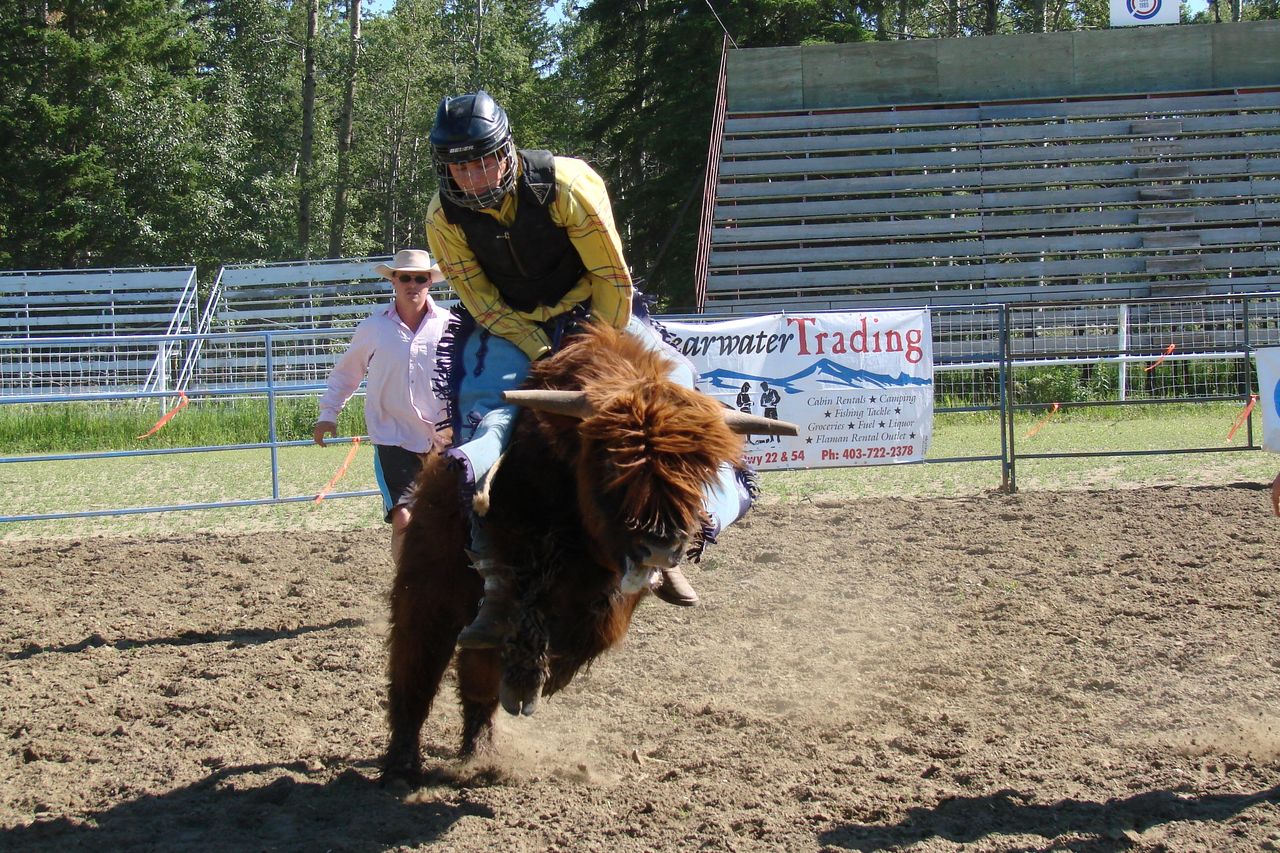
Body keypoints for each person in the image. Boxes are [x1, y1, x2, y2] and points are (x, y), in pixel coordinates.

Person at [425, 90, 755, 648]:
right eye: (460, 165)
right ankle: (493, 568)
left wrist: (594, 350)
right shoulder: (444, 217)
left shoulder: (568, 185)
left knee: (677, 394)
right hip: (511, 323)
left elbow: (613, 278)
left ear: (504, 152)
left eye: (482, 161)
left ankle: (682, 531)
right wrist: (541, 351)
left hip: (600, 309)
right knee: (484, 412)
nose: (474, 177)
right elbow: (481, 302)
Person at [313, 249, 451, 561]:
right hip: (393, 437)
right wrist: (328, 413)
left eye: (419, 278)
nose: (412, 284)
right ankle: (407, 590)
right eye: (405, 277)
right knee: (403, 519)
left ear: (430, 282)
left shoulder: (448, 324)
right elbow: (346, 373)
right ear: (394, 281)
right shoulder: (374, 328)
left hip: (443, 439)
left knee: (448, 519)